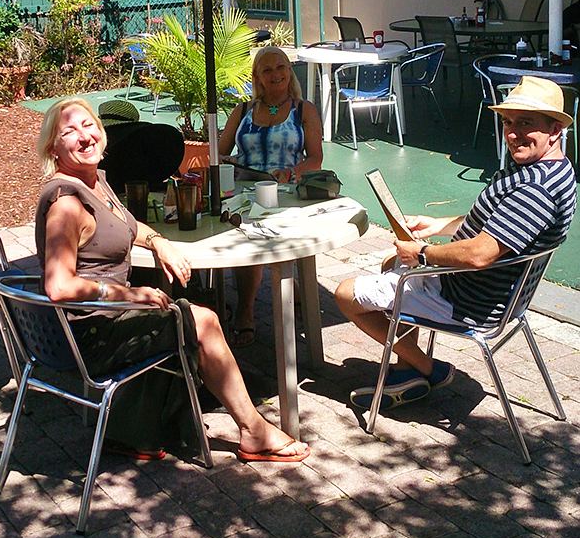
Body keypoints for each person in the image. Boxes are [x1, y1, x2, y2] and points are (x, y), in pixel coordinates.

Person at [35, 95, 309, 463]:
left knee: (190, 297)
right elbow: (58, 286)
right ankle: (253, 431)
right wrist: (128, 295)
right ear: (54, 146)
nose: (84, 137)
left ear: (102, 133)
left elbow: (128, 227)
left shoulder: (95, 182)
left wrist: (158, 242)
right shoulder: (66, 204)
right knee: (205, 321)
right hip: (94, 334)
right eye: (70, 132)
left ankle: (149, 419)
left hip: (110, 319)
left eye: (89, 126)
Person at [335, 76, 577, 410]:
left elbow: (481, 253)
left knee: (346, 293)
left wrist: (423, 253)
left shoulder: (535, 190)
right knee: (392, 265)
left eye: (525, 124)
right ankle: (407, 372)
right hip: (495, 294)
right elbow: (498, 226)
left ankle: (428, 369)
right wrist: (438, 224)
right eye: (508, 122)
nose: (512, 133)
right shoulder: (556, 171)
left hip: (468, 301)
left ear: (555, 130)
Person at [219, 46, 323, 346]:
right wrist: (229, 162)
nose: (276, 74)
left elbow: (315, 158)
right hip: (243, 189)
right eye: (267, 70)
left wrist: (290, 172)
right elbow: (221, 153)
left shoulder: (304, 109)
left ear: (289, 72)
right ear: (258, 78)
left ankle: (255, 307)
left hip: (287, 191)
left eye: (281, 67)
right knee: (247, 237)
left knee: (265, 236)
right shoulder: (242, 111)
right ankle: (246, 310)